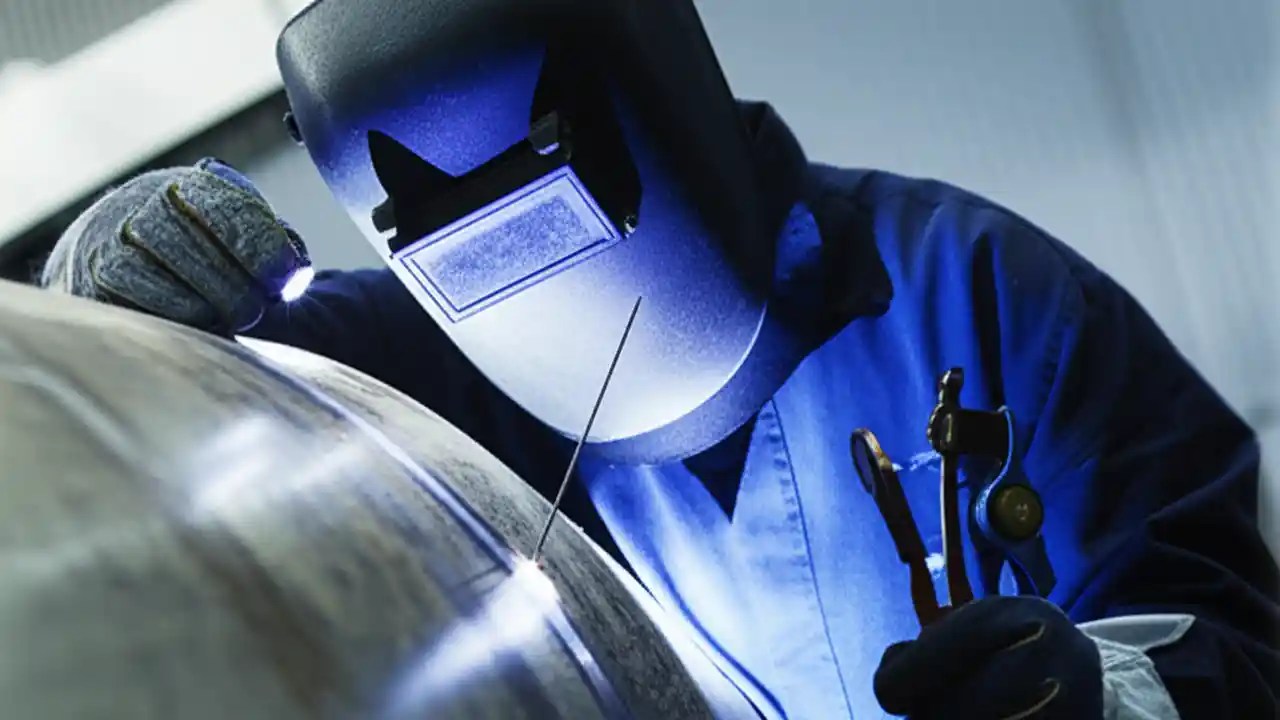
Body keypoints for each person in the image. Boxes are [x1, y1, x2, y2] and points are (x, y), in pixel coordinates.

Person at [40, 0, 1278, 717]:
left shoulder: (976, 291)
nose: (527, 274)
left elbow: (1233, 639)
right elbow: (141, 388)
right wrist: (101, 276)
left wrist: (1099, 698)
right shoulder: (424, 351)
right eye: (466, 243)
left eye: (544, 207)